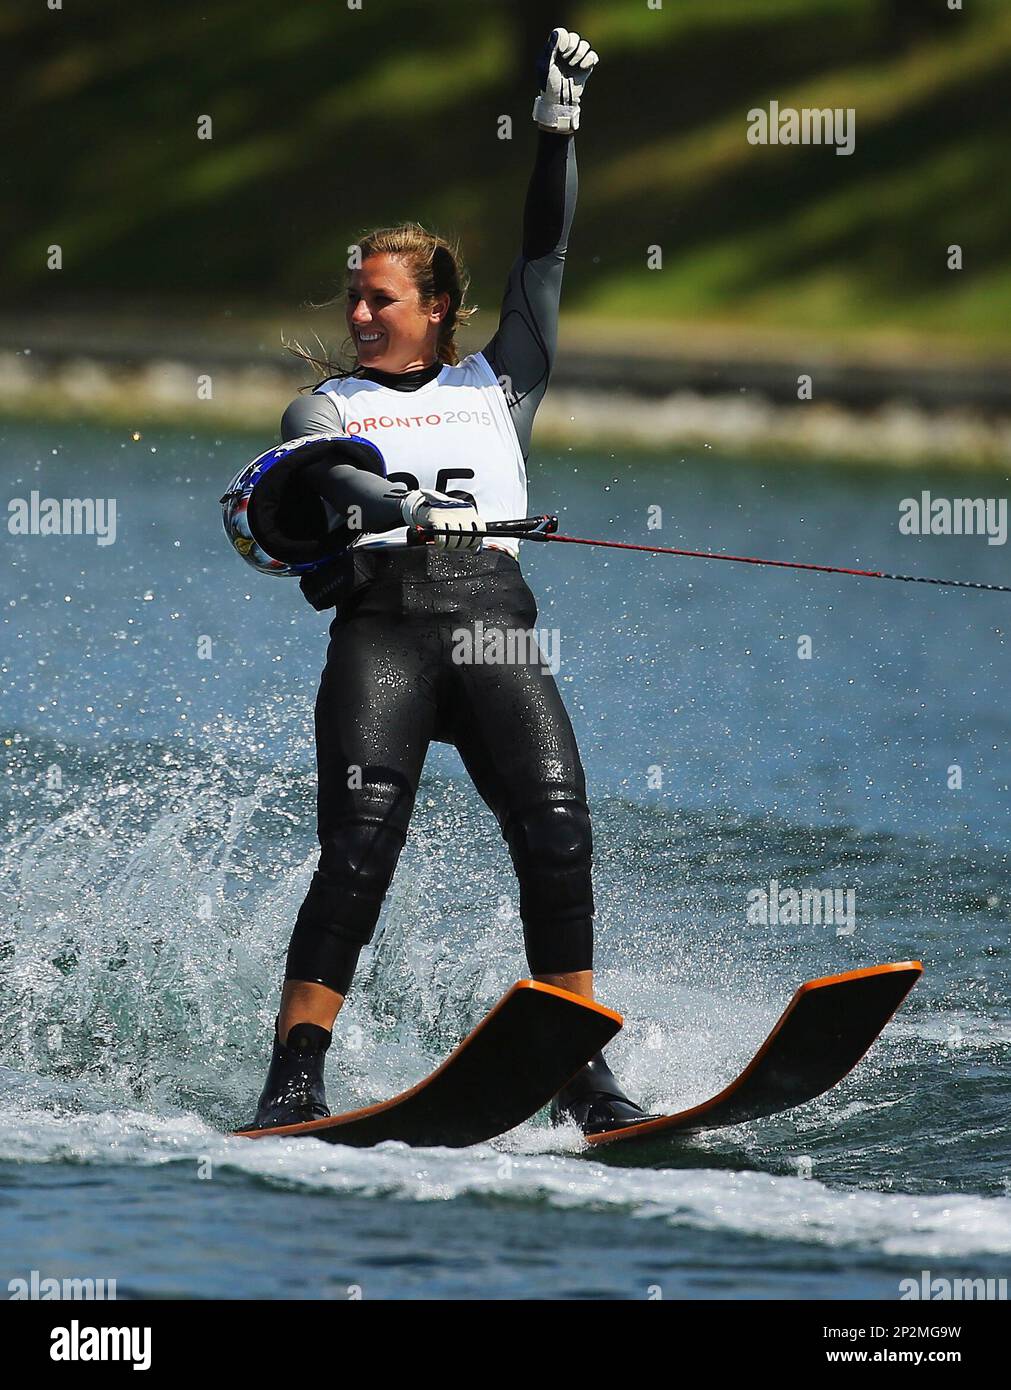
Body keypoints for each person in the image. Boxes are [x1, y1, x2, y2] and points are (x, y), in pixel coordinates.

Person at [245, 28, 650, 1136]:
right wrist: (399, 506)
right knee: (362, 844)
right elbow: (317, 471)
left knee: (559, 825)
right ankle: (294, 1072)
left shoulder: (500, 383)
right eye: (352, 297)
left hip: (492, 621)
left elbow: (548, 255)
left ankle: (583, 1071)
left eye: (381, 298)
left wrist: (556, 132)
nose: (359, 314)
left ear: (436, 307)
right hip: (386, 628)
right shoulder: (330, 407)